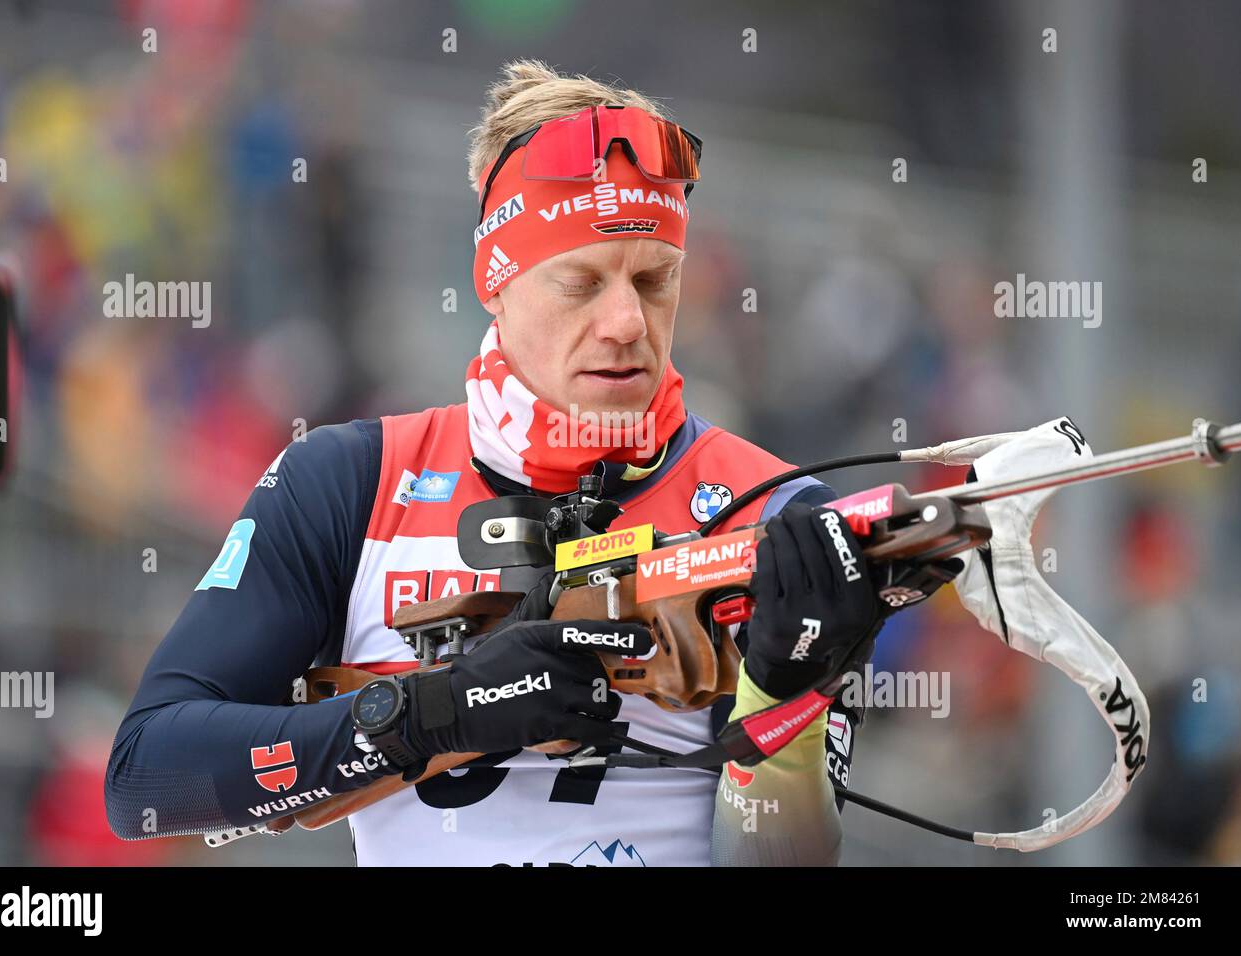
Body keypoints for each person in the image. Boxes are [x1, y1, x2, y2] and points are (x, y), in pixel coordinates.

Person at [105, 59, 882, 867]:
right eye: (580, 283)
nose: (625, 321)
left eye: (656, 280)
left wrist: (788, 699)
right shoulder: (351, 482)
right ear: (494, 280)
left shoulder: (779, 513)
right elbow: (145, 780)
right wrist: (436, 712)